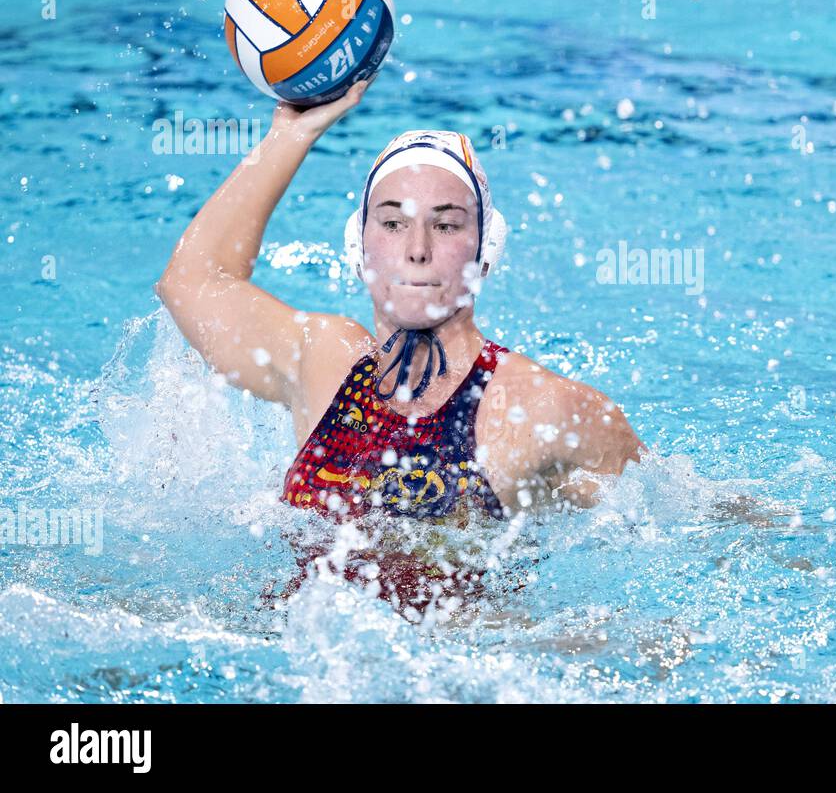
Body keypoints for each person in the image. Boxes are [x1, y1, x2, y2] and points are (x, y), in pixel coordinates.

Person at [156, 80, 646, 613]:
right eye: (393, 223)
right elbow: (192, 281)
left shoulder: (540, 408)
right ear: (358, 245)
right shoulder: (321, 361)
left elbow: (679, 516)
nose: (417, 250)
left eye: (446, 224)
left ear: (486, 251)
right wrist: (291, 134)